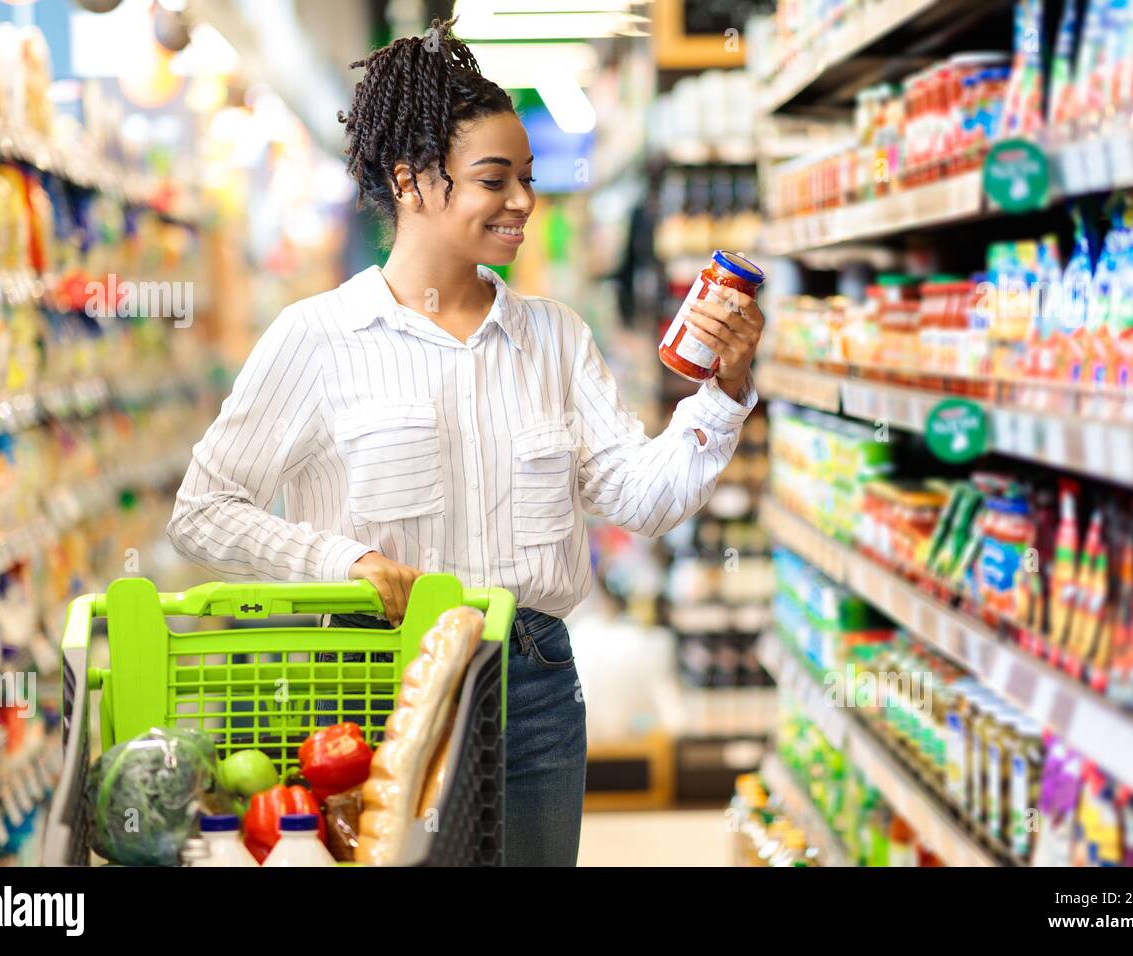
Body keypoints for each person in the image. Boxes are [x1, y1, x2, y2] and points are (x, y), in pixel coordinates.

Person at [166, 17, 765, 867]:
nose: (523, 200)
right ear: (412, 182)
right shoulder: (318, 337)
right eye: (495, 179)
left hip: (533, 687)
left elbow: (639, 497)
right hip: (373, 681)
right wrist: (343, 564)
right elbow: (204, 512)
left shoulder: (554, 338)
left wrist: (724, 393)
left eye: (526, 177)